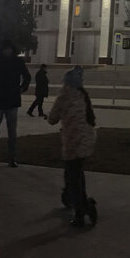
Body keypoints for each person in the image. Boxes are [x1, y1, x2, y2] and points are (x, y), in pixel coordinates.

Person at [48, 66, 97, 228]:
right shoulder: (83, 95)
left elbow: (52, 118)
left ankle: (82, 210)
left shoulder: (64, 96)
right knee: (77, 174)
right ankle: (80, 203)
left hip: (73, 142)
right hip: (86, 141)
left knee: (74, 177)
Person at [0, 40, 31, 168]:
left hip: (11, 100)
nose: (7, 51)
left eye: (9, 49)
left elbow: (27, 76)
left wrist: (22, 88)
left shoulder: (18, 62)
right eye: (5, 49)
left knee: (12, 132)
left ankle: (11, 158)